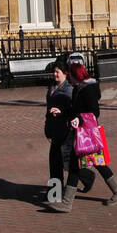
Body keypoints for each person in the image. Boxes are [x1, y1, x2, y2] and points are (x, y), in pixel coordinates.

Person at [67, 62, 117, 206]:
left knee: (91, 164)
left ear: (76, 76)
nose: (68, 78)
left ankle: (66, 201)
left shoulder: (87, 90)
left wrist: (79, 119)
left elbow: (94, 112)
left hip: (88, 134)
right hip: (80, 132)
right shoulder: (77, 88)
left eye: (70, 75)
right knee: (93, 163)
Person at [44, 62, 79, 212]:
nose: (55, 74)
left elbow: (74, 111)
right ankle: (54, 194)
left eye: (58, 72)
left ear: (65, 73)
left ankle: (87, 177)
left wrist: (62, 113)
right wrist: (47, 129)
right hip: (54, 129)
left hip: (65, 130)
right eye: (54, 72)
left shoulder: (70, 90)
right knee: (54, 162)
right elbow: (47, 110)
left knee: (66, 162)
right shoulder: (51, 88)